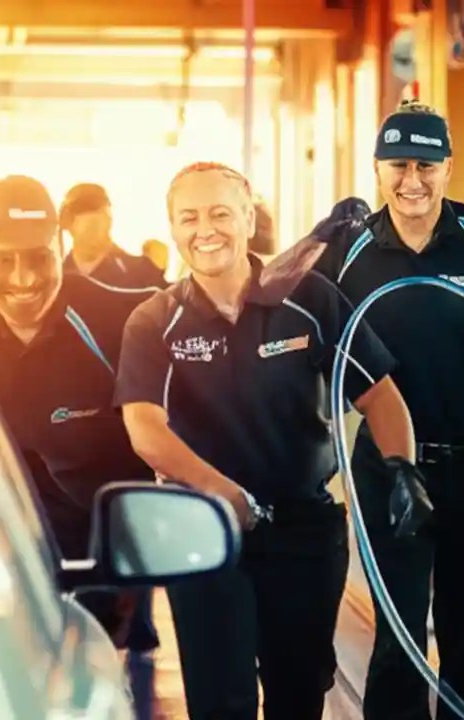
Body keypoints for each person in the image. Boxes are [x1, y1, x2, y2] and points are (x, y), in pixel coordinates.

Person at [115, 161, 426, 720]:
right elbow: (145, 429)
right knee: (222, 701)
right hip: (205, 534)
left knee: (299, 692)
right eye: (188, 217)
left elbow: (379, 396)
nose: (204, 229)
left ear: (247, 216)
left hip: (304, 533)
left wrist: (403, 470)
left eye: (219, 213)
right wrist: (225, 492)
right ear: (171, 227)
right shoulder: (153, 320)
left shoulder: (311, 299)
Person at [308, 100, 464, 720]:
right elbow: (281, 312)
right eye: (398, 166)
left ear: (448, 167)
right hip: (389, 466)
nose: (411, 181)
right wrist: (313, 240)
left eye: (425, 165)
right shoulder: (350, 249)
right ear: (377, 168)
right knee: (400, 635)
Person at [0, 175, 160, 661]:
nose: (23, 280)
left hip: (106, 574)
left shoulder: (124, 319)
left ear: (59, 248)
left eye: (40, 258)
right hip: (5, 571)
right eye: (1, 260)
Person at [60, 183, 167, 288]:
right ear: (68, 224)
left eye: (99, 223)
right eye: (90, 226)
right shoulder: (56, 279)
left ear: (109, 221)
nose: (95, 233)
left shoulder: (141, 272)